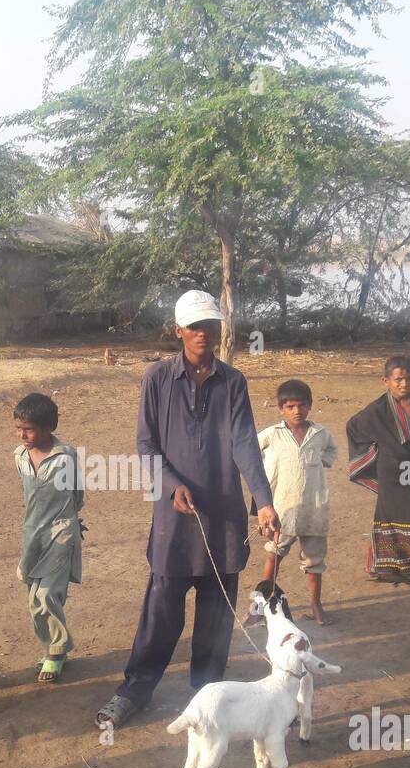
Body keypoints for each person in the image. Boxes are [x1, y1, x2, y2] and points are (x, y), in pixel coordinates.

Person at [96, 290, 279, 730]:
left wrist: (265, 502)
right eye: (195, 327)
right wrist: (172, 485)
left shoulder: (233, 382)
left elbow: (244, 445)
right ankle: (134, 690)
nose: (204, 334)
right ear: (178, 331)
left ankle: (206, 696)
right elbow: (146, 444)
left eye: (211, 326)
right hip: (174, 518)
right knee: (162, 612)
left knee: (216, 616)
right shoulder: (157, 379)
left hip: (223, 515)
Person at [345, 355, 410, 588]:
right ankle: (390, 563)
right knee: (392, 512)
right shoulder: (377, 410)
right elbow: (353, 426)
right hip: (390, 470)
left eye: (409, 379)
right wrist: (377, 452)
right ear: (386, 381)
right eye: (398, 379)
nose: (404, 384)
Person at [14, 393, 84, 684]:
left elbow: (77, 496)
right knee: (33, 593)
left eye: (28, 429)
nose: (22, 435)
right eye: (18, 429)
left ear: (47, 428)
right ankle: (53, 645)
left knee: (46, 595)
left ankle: (56, 652)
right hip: (33, 534)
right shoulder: (19, 456)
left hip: (60, 532)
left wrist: (68, 522)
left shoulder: (64, 456)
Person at [257, 379, 339, 624]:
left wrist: (322, 463)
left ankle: (316, 605)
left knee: (315, 561)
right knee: (274, 554)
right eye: (290, 406)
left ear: (310, 405)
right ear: (281, 408)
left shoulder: (320, 434)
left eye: (302, 405)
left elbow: (332, 451)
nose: (297, 411)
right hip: (282, 509)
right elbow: (250, 451)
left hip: (314, 509)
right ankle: (262, 605)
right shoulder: (273, 434)